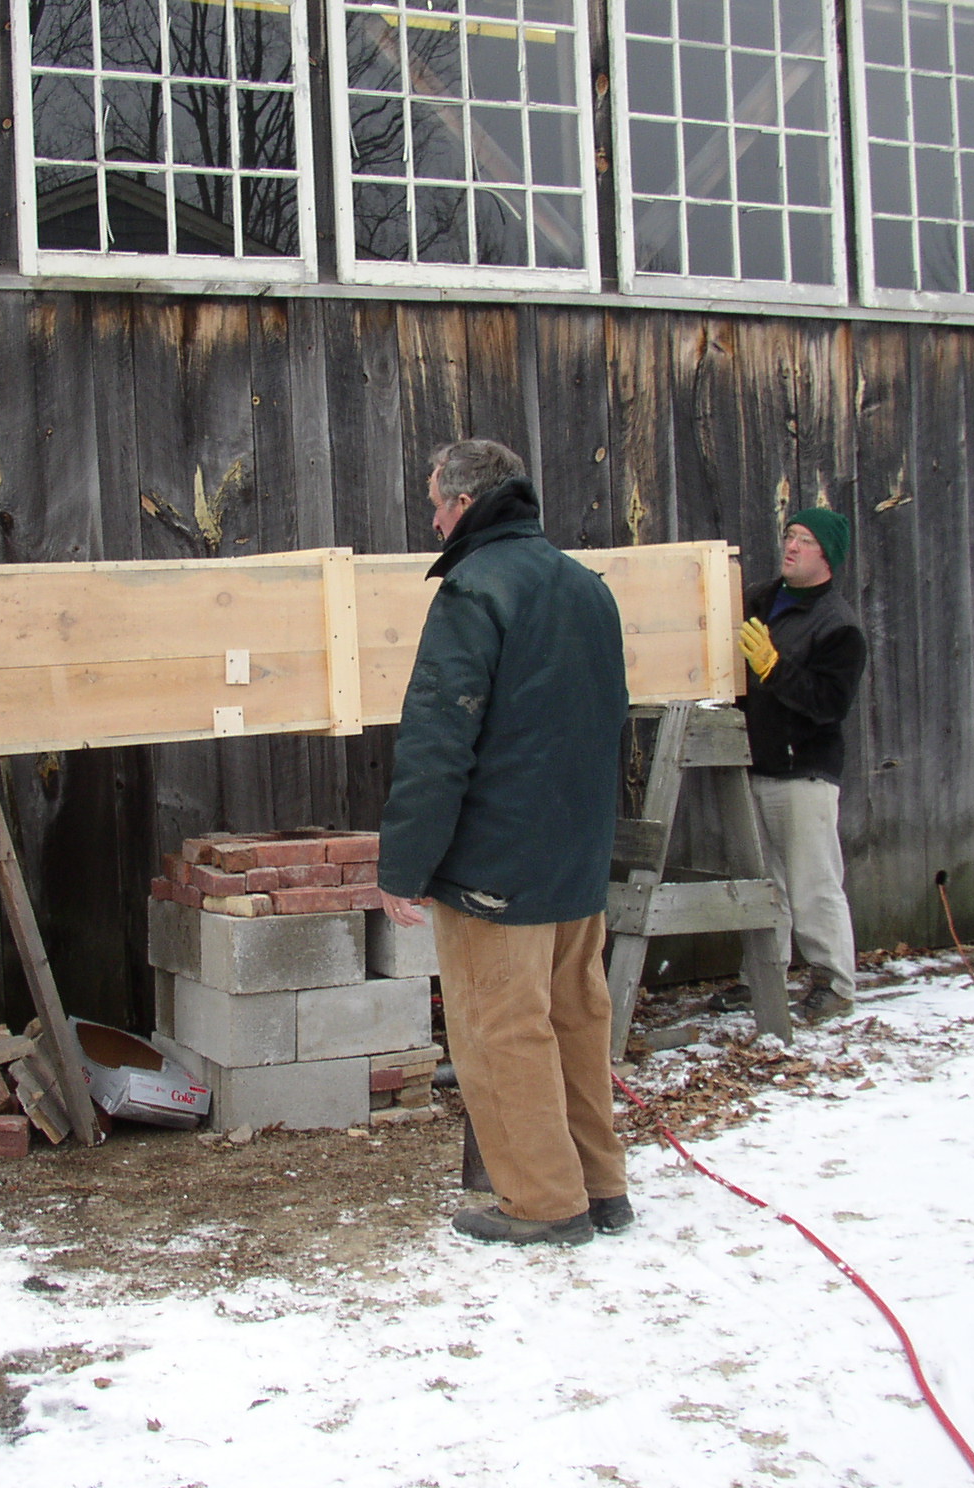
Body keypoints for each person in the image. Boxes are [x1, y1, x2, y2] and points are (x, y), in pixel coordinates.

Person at [377, 439, 632, 1247]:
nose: (431, 515)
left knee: (501, 1031)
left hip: (497, 870)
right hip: (578, 862)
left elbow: (436, 742)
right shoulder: (587, 590)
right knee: (576, 1022)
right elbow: (610, 727)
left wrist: (404, 867)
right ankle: (602, 1187)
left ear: (462, 504)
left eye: (434, 500)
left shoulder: (473, 588)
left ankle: (545, 1202)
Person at [732, 508, 868, 1024]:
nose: (791, 546)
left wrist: (773, 667)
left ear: (827, 557)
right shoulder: (760, 601)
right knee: (766, 885)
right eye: (790, 535)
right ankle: (763, 979)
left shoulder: (839, 626)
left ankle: (834, 984)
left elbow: (829, 704)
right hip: (756, 763)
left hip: (804, 771)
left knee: (813, 884)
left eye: (806, 541)